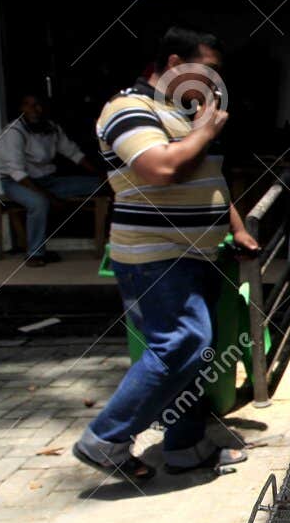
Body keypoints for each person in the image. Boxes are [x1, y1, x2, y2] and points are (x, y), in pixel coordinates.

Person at [72, 27, 260, 482]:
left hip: (198, 254)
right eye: (208, 70)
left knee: (196, 352)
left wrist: (236, 228)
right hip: (156, 257)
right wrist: (204, 132)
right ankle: (105, 438)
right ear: (175, 63)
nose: (213, 82)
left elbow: (206, 178)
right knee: (181, 344)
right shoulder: (128, 109)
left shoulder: (181, 115)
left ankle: (186, 447)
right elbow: (161, 168)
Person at [0, 95, 104, 266]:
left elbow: (73, 153)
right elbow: (17, 172)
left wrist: (101, 175)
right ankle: (35, 254)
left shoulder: (51, 128)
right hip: (17, 183)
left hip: (48, 181)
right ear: (21, 109)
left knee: (100, 185)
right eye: (28, 105)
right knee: (39, 203)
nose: (34, 110)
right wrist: (48, 197)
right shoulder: (14, 132)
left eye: (38, 105)